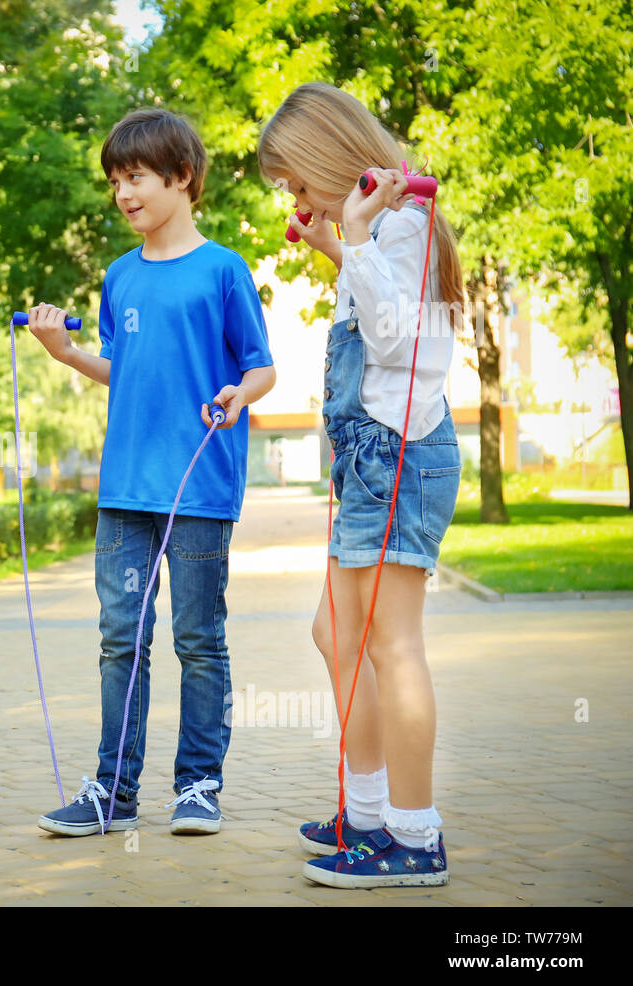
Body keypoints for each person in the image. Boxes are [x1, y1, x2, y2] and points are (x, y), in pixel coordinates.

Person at [26, 108, 276, 837]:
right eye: (114, 181)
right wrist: (65, 353)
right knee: (120, 640)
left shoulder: (224, 270)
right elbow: (123, 367)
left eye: (134, 177)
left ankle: (199, 786)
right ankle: (111, 790)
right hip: (124, 491)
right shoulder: (119, 277)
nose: (123, 193)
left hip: (199, 487)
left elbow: (260, 368)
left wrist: (239, 395)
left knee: (199, 640)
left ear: (183, 178)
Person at [258, 81, 463, 887]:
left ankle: (415, 838)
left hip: (398, 458)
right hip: (371, 464)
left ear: (331, 161)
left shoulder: (405, 225)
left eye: (297, 182)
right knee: (337, 635)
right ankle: (370, 814)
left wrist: (355, 236)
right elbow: (385, 331)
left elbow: (398, 342)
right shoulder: (381, 230)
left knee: (392, 644)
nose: (296, 199)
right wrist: (342, 248)